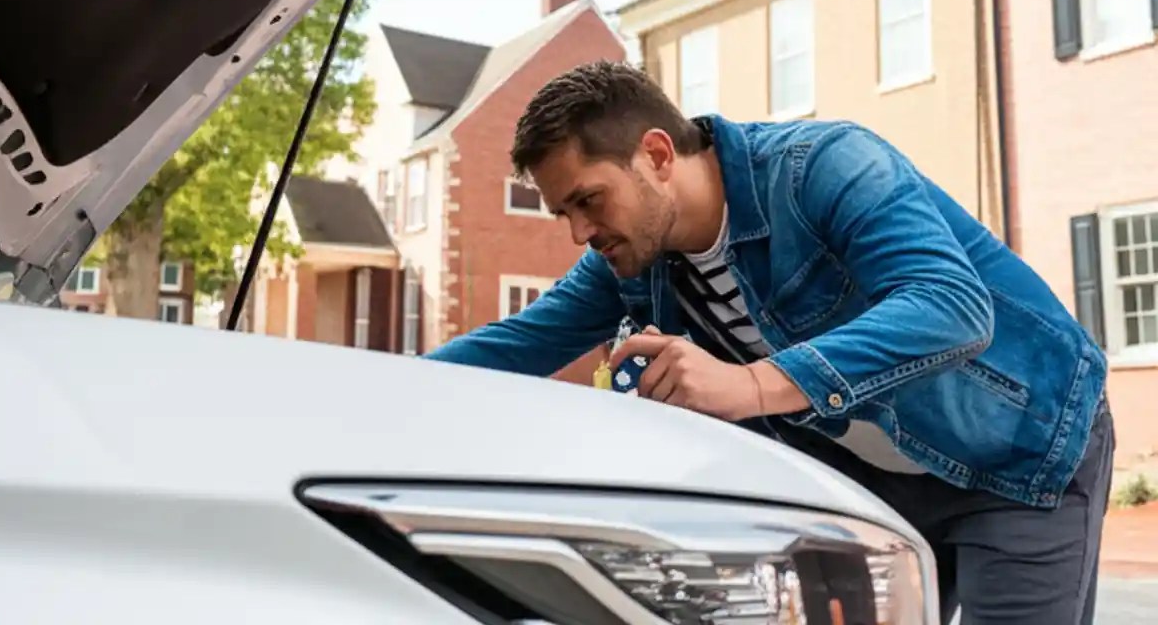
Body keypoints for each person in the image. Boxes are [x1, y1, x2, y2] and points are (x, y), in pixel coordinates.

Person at [424, 60, 1113, 624]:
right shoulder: (631, 259)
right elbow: (509, 348)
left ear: (657, 154)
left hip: (1018, 450)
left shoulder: (825, 165)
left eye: (588, 200)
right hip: (872, 493)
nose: (578, 232)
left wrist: (747, 384)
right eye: (563, 212)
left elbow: (952, 306)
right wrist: (345, 386)